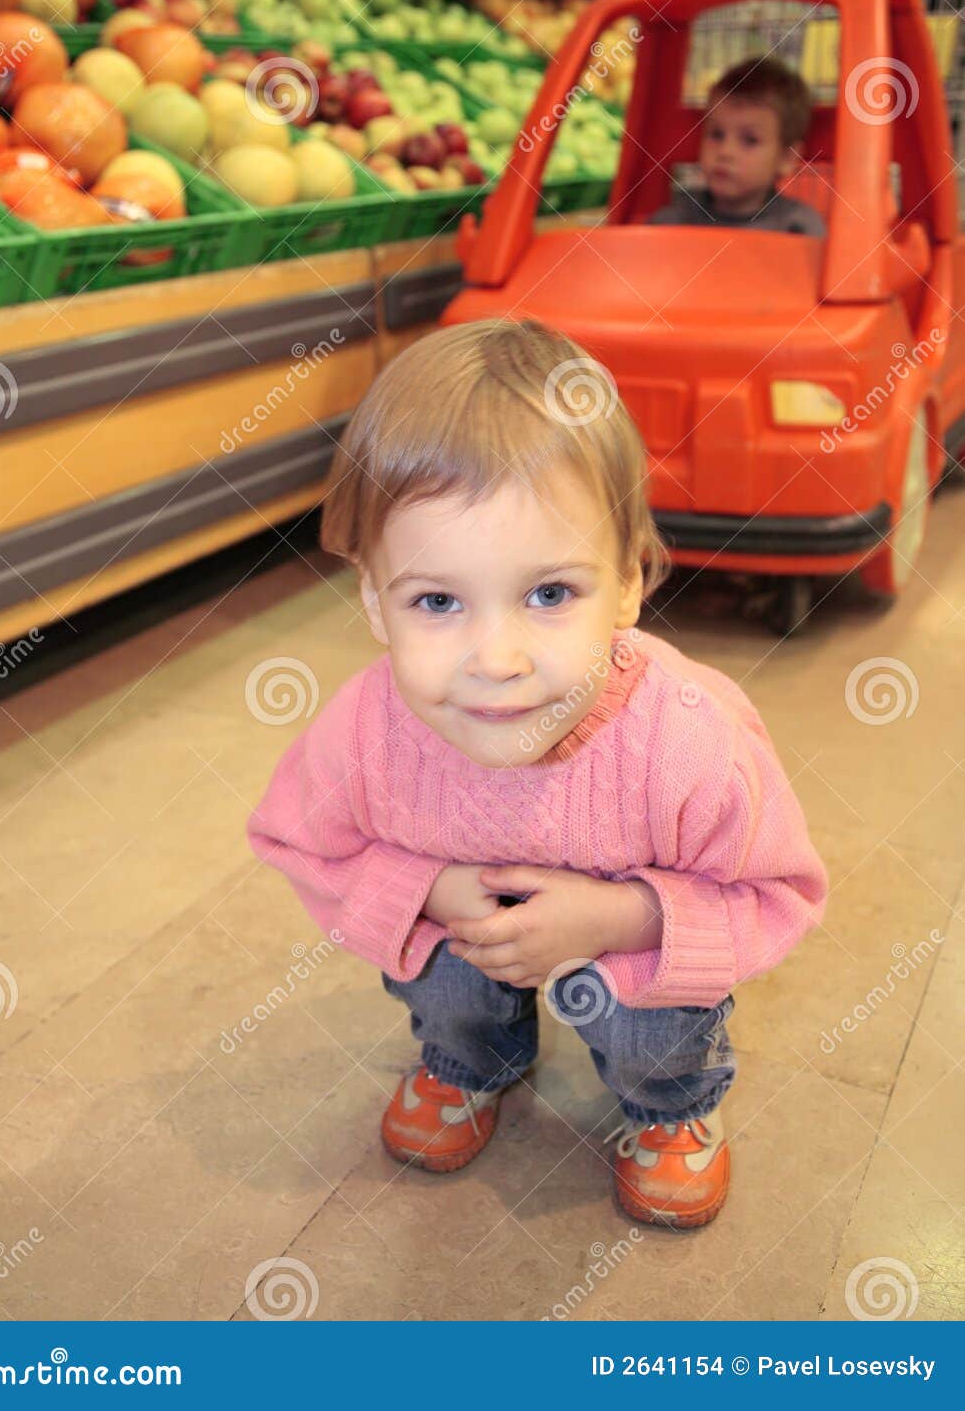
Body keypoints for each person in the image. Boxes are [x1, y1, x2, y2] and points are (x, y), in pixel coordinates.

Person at [246, 319, 828, 1231]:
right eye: (437, 601)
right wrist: (427, 889)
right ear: (372, 599)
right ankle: (470, 1061)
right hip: (468, 941)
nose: (498, 659)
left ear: (630, 581)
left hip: (635, 952)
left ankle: (670, 1107)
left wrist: (620, 916)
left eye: (549, 594)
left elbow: (776, 892)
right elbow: (296, 843)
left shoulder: (690, 738)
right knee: (443, 977)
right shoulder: (364, 730)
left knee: (651, 1021)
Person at [651, 55, 826, 236]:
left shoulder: (799, 228)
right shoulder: (671, 223)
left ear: (786, 158)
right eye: (716, 135)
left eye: (749, 140)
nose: (725, 152)